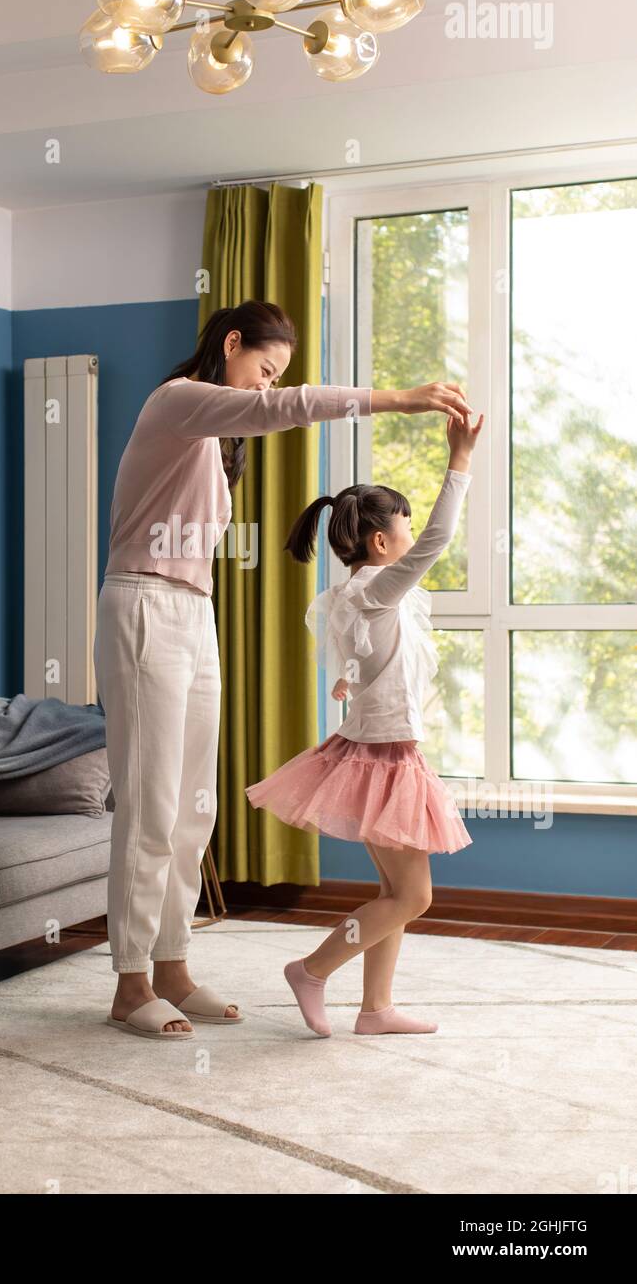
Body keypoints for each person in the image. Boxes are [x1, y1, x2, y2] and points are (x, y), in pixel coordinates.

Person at [94, 298, 474, 1039]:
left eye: (275, 378)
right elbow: (289, 411)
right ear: (231, 343)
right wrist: (397, 400)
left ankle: (172, 966)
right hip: (143, 603)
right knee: (149, 802)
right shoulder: (177, 403)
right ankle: (129, 983)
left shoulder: (211, 441)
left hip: (193, 609)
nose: (268, 388)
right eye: (264, 369)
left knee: (194, 802)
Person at [245, 407, 484, 1038]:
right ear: (382, 544)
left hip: (386, 749)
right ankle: (313, 969)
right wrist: (459, 463)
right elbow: (438, 541)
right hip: (383, 755)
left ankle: (375, 1008)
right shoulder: (376, 590)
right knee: (413, 896)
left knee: (392, 892)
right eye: (404, 529)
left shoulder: (364, 595)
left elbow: (374, 657)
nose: (413, 539)